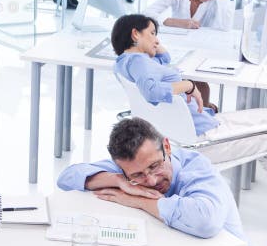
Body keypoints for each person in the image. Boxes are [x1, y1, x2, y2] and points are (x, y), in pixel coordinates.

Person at [57, 117, 249, 245]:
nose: (150, 180)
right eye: (137, 175)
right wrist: (118, 180)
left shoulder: (198, 168)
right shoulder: (127, 169)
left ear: (167, 146)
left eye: (155, 165)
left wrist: (138, 201)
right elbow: (66, 178)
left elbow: (206, 222)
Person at [111, 14, 267, 164]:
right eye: (152, 33)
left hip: (194, 130)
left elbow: (164, 60)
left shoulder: (124, 63)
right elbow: (152, 91)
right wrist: (188, 85)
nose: (157, 40)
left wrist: (154, 46)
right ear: (135, 34)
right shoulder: (139, 62)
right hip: (204, 139)